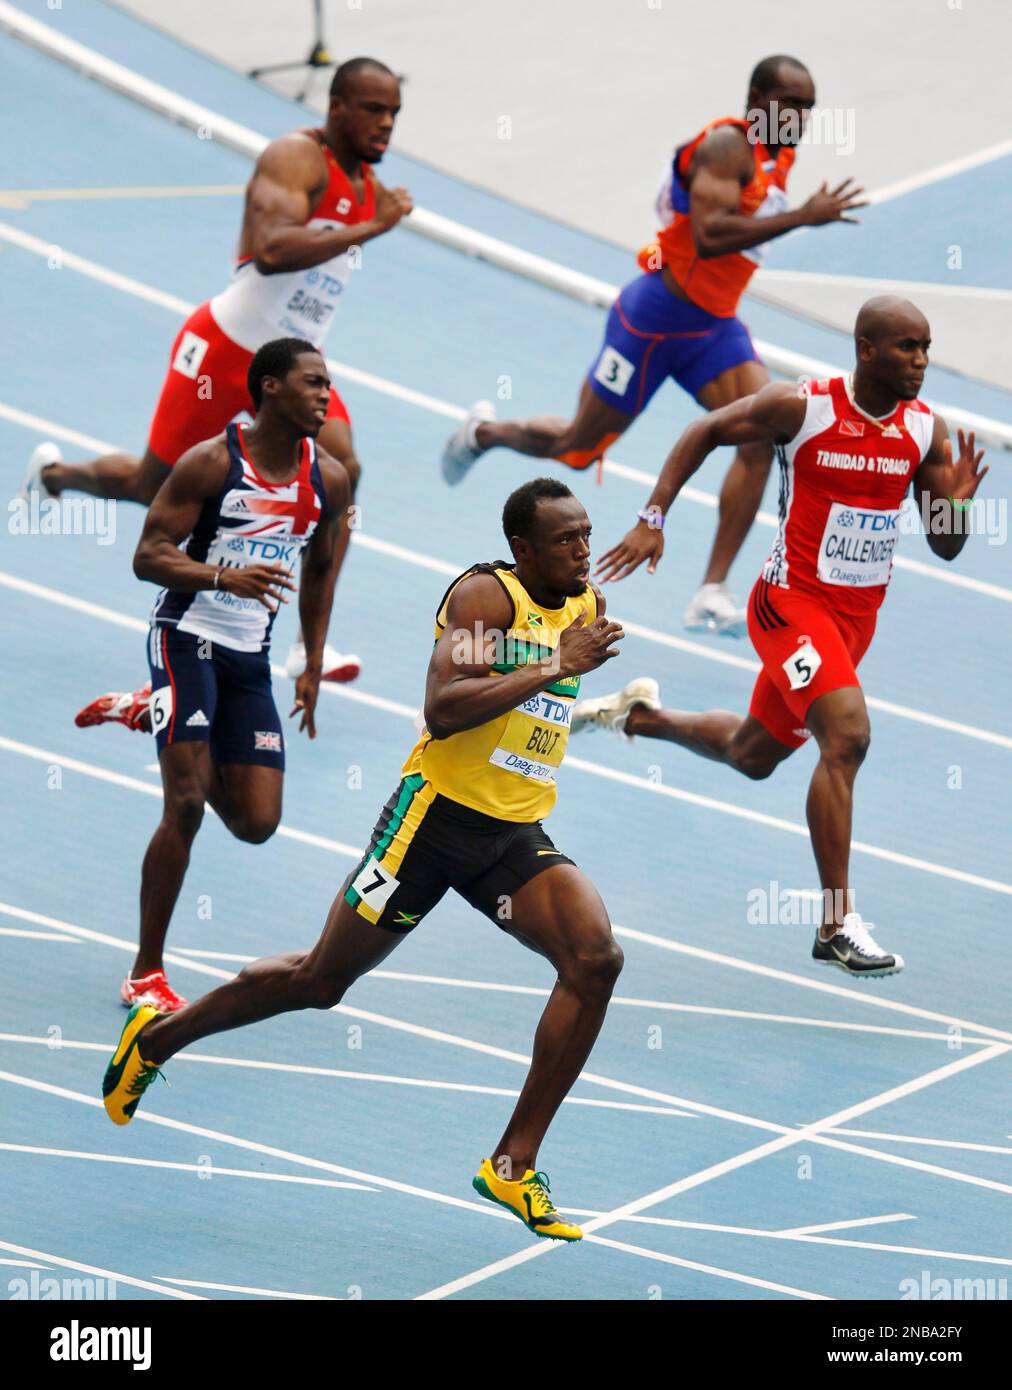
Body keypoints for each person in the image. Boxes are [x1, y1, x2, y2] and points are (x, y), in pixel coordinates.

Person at [103, 478, 627, 1244]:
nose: (583, 551)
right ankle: (155, 1039)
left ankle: (512, 1166)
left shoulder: (582, 607)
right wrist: (553, 665)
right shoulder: (489, 599)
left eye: (586, 535)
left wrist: (581, 700)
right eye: (565, 540)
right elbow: (445, 708)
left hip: (510, 835)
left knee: (596, 958)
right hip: (431, 825)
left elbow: (534, 714)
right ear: (523, 549)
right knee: (320, 981)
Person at [577, 297, 987, 976]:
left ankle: (636, 716)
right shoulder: (802, 408)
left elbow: (946, 546)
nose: (920, 362)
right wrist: (654, 515)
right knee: (847, 735)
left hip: (854, 624)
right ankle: (836, 922)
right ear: (865, 350)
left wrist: (957, 504)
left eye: (925, 347)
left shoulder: (926, 432)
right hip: (789, 605)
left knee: (752, 754)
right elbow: (705, 429)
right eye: (906, 347)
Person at [23, 56, 412, 691]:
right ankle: (55, 475)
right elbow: (272, 249)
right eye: (374, 109)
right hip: (224, 349)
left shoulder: (371, 185)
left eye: (395, 112)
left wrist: (370, 222)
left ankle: (304, 642)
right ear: (336, 106)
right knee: (156, 487)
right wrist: (370, 230)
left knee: (344, 469)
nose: (387, 123)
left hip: (295, 364)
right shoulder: (296, 158)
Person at [441, 55, 866, 637]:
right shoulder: (725, 147)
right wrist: (801, 216)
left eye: (809, 108)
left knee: (762, 433)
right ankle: (482, 433)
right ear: (757, 96)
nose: (800, 118)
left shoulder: (778, 153)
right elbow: (711, 237)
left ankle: (711, 591)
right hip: (655, 319)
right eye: (790, 104)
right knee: (578, 447)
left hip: (713, 327)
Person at [120, 338, 348, 1012]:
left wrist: (310, 659)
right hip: (185, 638)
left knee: (256, 822)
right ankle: (145, 972)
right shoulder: (211, 463)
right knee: (185, 804)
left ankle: (154, 715)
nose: (325, 396)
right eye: (312, 383)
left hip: (250, 660)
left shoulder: (327, 479)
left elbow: (323, 567)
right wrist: (224, 576)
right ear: (270, 388)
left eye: (328, 385)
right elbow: (148, 556)